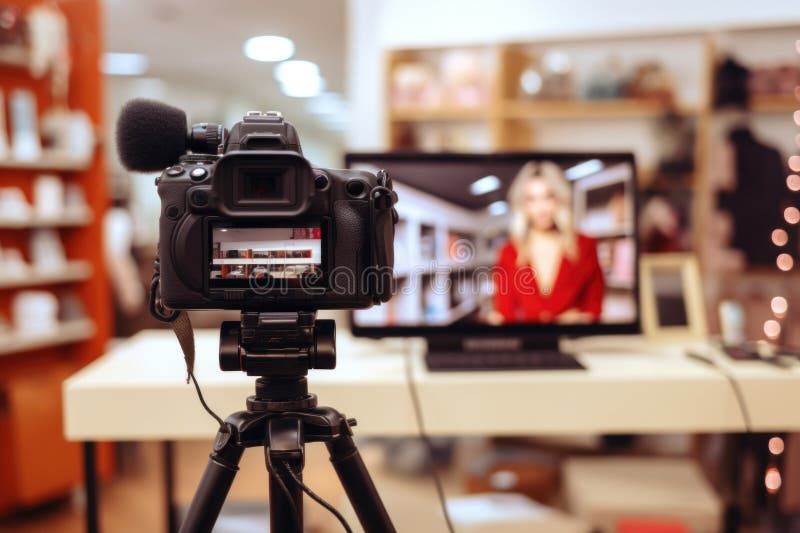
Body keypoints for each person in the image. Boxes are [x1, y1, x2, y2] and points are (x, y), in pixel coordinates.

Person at [490, 161, 605, 324]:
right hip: (527, 345)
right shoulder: (508, 252)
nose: (541, 208)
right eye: (531, 199)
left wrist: (579, 319)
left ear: (559, 199)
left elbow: (594, 309)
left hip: (573, 341)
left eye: (548, 196)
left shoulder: (585, 245)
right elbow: (504, 313)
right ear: (523, 205)